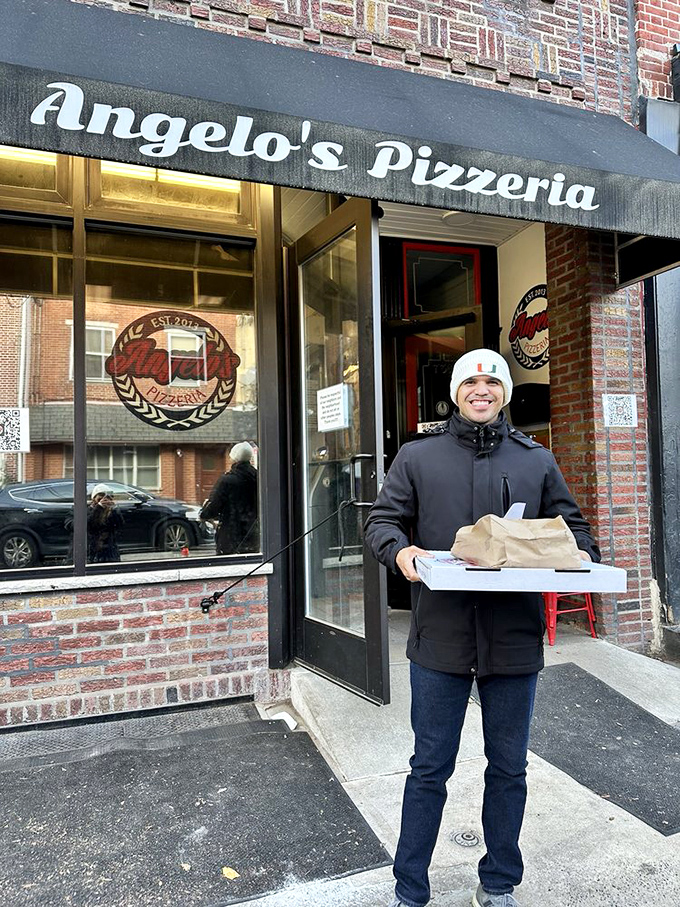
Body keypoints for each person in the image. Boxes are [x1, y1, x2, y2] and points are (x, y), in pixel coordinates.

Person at [364, 349, 600, 907]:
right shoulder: (418, 457)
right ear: (455, 391)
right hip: (440, 640)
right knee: (429, 768)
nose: (481, 389)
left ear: (505, 393)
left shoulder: (536, 460)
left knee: (509, 768)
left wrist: (574, 556)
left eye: (491, 381)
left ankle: (497, 884)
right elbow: (382, 521)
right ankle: (410, 891)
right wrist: (401, 554)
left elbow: (578, 533)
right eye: (470, 381)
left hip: (513, 643)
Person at [200, 441, 259, 554]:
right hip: (254, 536)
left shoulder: (227, 480)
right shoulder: (258, 478)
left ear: (234, 459)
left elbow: (214, 506)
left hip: (231, 536)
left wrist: (204, 514)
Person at [87, 483, 124, 563]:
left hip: (109, 549)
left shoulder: (111, 510)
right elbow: (89, 525)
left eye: (107, 497)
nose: (104, 499)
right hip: (93, 548)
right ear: (94, 498)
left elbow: (119, 526)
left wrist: (114, 509)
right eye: (100, 496)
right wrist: (99, 507)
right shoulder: (88, 510)